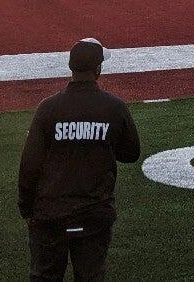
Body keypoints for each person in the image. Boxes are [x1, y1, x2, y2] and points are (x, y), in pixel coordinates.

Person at [18, 38, 140, 281]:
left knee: (44, 277)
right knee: (91, 276)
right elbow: (131, 153)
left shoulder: (48, 108)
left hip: (50, 214)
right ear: (98, 70)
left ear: (71, 68)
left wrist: (26, 207)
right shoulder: (114, 107)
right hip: (94, 213)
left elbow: (29, 166)